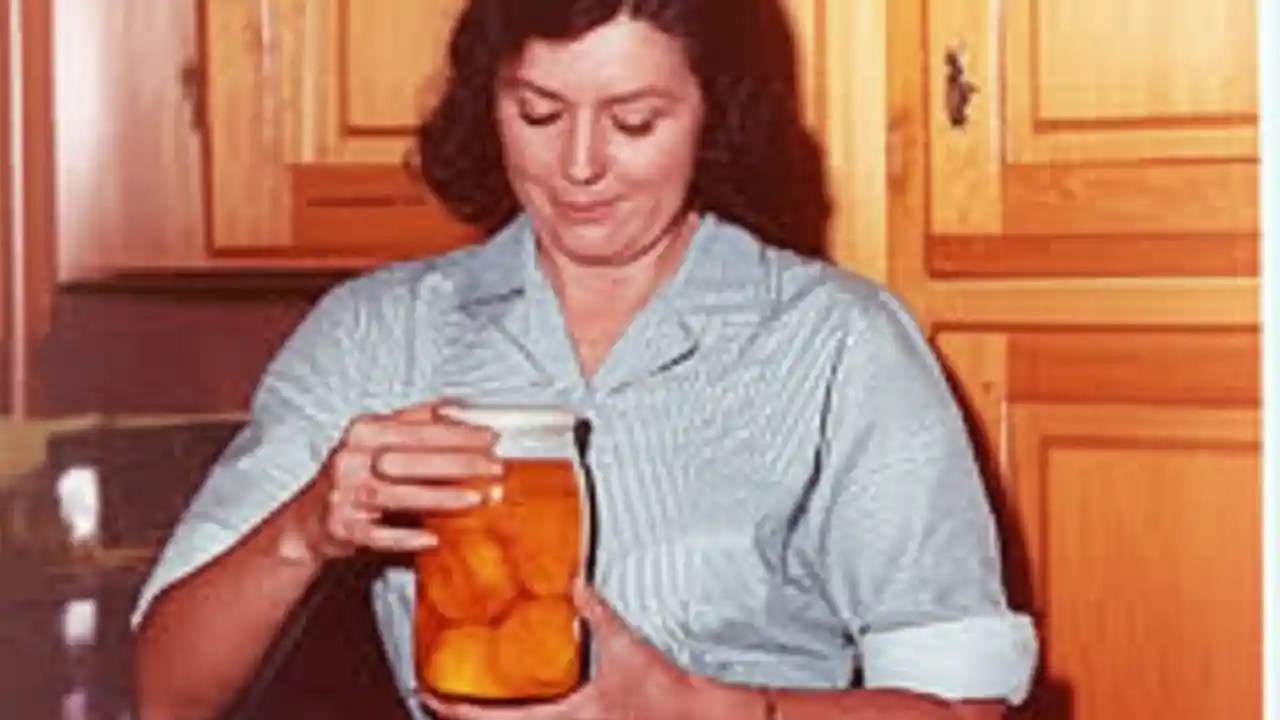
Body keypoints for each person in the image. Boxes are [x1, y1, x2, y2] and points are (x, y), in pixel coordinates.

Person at [132, 0, 1038, 718]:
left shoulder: (839, 344)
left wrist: (708, 711)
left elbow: (961, 710)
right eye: (538, 111)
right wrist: (306, 528)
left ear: (715, 115)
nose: (578, 165)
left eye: (635, 120)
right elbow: (168, 692)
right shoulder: (381, 333)